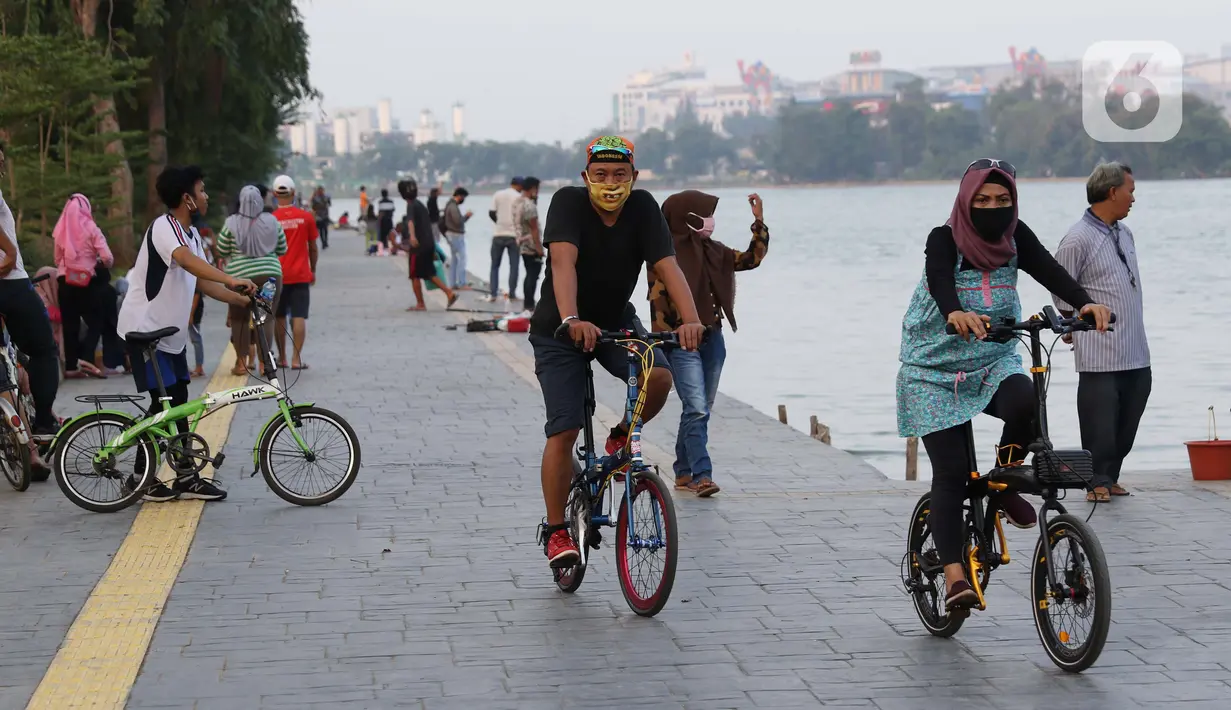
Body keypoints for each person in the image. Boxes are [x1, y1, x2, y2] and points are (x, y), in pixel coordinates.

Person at [896, 159, 1113, 611]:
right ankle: (955, 576)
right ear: (965, 200)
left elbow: (1050, 270)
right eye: (982, 200)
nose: (993, 208)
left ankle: (1004, 478)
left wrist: (1086, 303)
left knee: (1024, 401)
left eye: (1002, 200)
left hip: (993, 354)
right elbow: (939, 279)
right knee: (952, 473)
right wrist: (954, 311)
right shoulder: (945, 239)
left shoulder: (1016, 237)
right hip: (933, 369)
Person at [529, 135, 705, 568]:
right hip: (560, 328)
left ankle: (622, 435)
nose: (611, 183)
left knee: (660, 376)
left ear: (634, 177)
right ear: (586, 176)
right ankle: (555, 531)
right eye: (602, 174)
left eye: (620, 174)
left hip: (614, 321)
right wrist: (571, 320)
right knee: (564, 430)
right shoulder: (568, 203)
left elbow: (668, 266)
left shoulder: (643, 207)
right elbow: (562, 265)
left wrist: (692, 320)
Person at [117, 165, 256, 502]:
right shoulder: (165, 229)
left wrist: (239, 298)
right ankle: (140, 479)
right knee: (160, 408)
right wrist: (230, 279)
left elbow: (203, 281)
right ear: (187, 199)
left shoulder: (192, 234)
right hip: (145, 331)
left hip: (170, 335)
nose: (206, 196)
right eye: (202, 190)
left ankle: (185, 476)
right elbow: (190, 264)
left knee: (177, 406)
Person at [649, 191, 771, 498]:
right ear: (686, 218)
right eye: (703, 214)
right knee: (697, 409)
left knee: (700, 408)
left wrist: (758, 222)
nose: (709, 221)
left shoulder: (714, 251)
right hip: (680, 342)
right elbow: (658, 305)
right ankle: (702, 476)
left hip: (713, 338)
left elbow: (751, 259)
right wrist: (669, 339)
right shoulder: (663, 259)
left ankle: (681, 470)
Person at [1053, 162, 1150, 503]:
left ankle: (1112, 475)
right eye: (1130, 190)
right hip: (1099, 351)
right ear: (1112, 192)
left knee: (1129, 418)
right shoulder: (1078, 238)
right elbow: (1060, 286)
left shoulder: (1124, 232)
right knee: (1100, 422)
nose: (1133, 198)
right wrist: (1069, 322)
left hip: (1135, 347)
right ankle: (1096, 479)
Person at [0, 141, 61, 439]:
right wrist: (9, 252)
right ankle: (44, 426)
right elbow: (9, 256)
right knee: (43, 350)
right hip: (11, 285)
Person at [216, 185, 287, 376]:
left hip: (239, 277)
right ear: (261, 201)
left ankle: (241, 364)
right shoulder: (272, 221)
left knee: (239, 318)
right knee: (266, 318)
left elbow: (221, 250)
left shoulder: (231, 223)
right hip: (270, 275)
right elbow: (282, 248)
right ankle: (265, 364)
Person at [53, 193, 124, 378]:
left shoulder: (61, 228)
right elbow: (108, 257)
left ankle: (70, 367)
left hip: (64, 279)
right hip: (85, 281)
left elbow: (57, 259)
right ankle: (86, 360)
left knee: (70, 324)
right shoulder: (91, 228)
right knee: (96, 320)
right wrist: (97, 261)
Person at [272, 175, 319, 370]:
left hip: (277, 274)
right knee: (299, 316)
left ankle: (281, 358)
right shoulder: (306, 217)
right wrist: (313, 269)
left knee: (279, 316)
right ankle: (296, 359)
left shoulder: (271, 219)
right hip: (301, 273)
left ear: (275, 194)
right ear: (293, 193)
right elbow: (313, 247)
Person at [395, 179, 458, 311]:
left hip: (419, 245)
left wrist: (412, 236)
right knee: (428, 272)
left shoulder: (411, 205)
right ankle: (449, 293)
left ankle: (421, 303)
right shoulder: (420, 205)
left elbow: (411, 222)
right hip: (429, 243)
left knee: (414, 274)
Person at [488, 176, 524, 302]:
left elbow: (491, 212)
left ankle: (493, 293)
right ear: (519, 186)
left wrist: (499, 223)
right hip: (513, 236)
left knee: (494, 266)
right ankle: (512, 293)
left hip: (498, 234)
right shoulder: (519, 197)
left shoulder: (498, 194)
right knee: (514, 266)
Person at [513, 177, 544, 311]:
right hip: (531, 245)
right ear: (532, 188)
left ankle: (528, 304)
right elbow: (534, 228)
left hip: (522, 243)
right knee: (533, 275)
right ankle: (530, 304)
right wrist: (539, 248)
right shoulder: (529, 206)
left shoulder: (517, 203)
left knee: (528, 274)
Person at [442, 187, 473, 288]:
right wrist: (467, 216)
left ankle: (453, 283)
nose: (463, 199)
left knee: (455, 260)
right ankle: (462, 283)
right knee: (462, 258)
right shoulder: (453, 207)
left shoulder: (449, 205)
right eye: (463, 197)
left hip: (451, 234)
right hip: (455, 235)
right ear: (459, 196)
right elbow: (458, 222)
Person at [376, 188, 396, 253]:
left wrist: (378, 221)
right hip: (390, 220)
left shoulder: (380, 202)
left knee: (383, 234)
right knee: (391, 234)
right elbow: (393, 210)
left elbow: (380, 212)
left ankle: (384, 247)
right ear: (387, 194)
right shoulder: (391, 202)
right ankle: (392, 247)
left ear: (381, 194)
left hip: (383, 221)